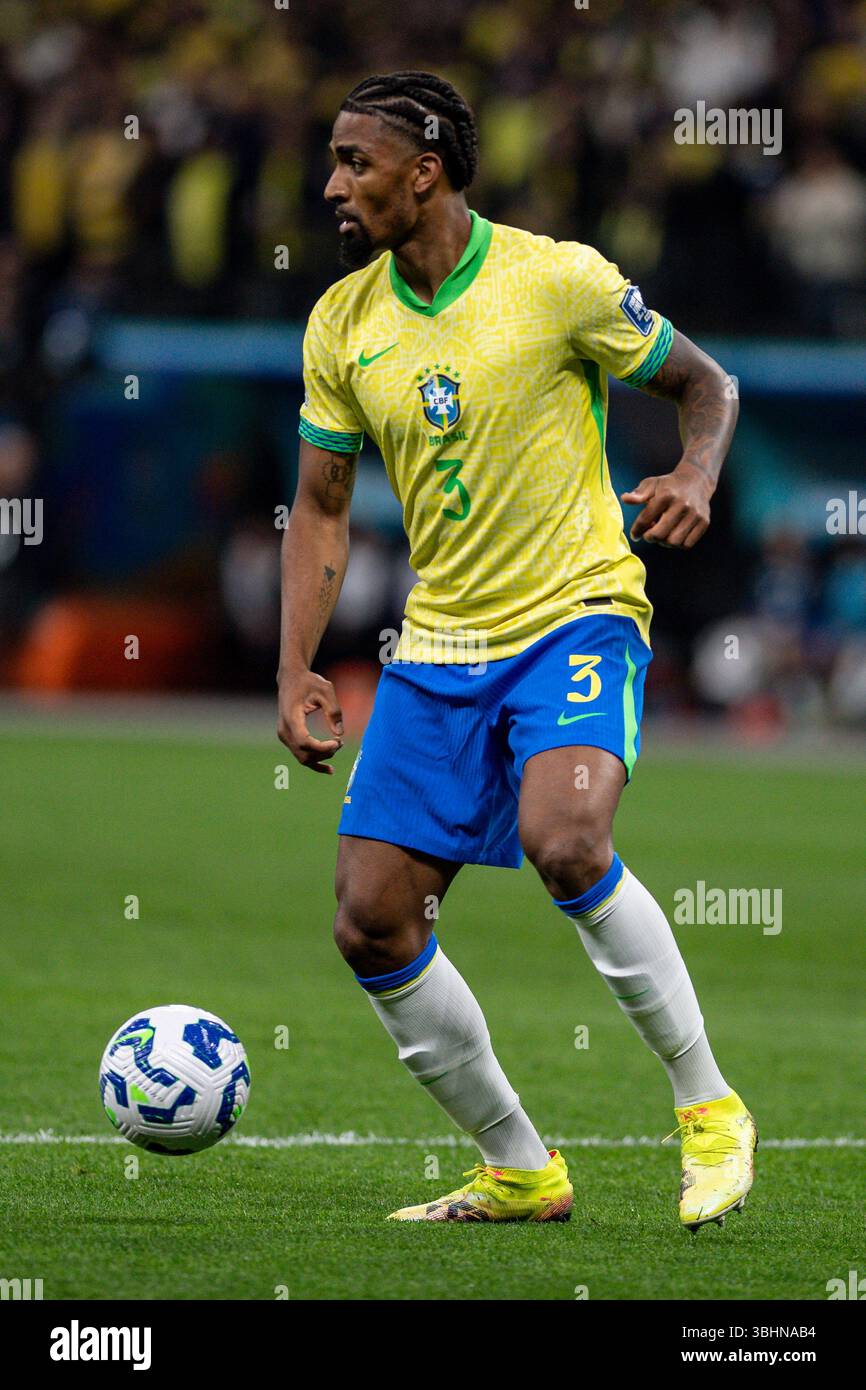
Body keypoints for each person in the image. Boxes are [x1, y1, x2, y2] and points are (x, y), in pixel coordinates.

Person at [278, 71, 755, 1229]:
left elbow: (704, 382)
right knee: (371, 916)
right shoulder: (342, 320)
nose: (332, 185)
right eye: (333, 163)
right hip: (438, 644)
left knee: (566, 835)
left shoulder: (557, 279)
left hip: (573, 612)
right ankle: (519, 1167)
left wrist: (693, 471)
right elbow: (323, 510)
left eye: (355, 162)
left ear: (424, 170)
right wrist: (295, 667)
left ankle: (708, 1110)